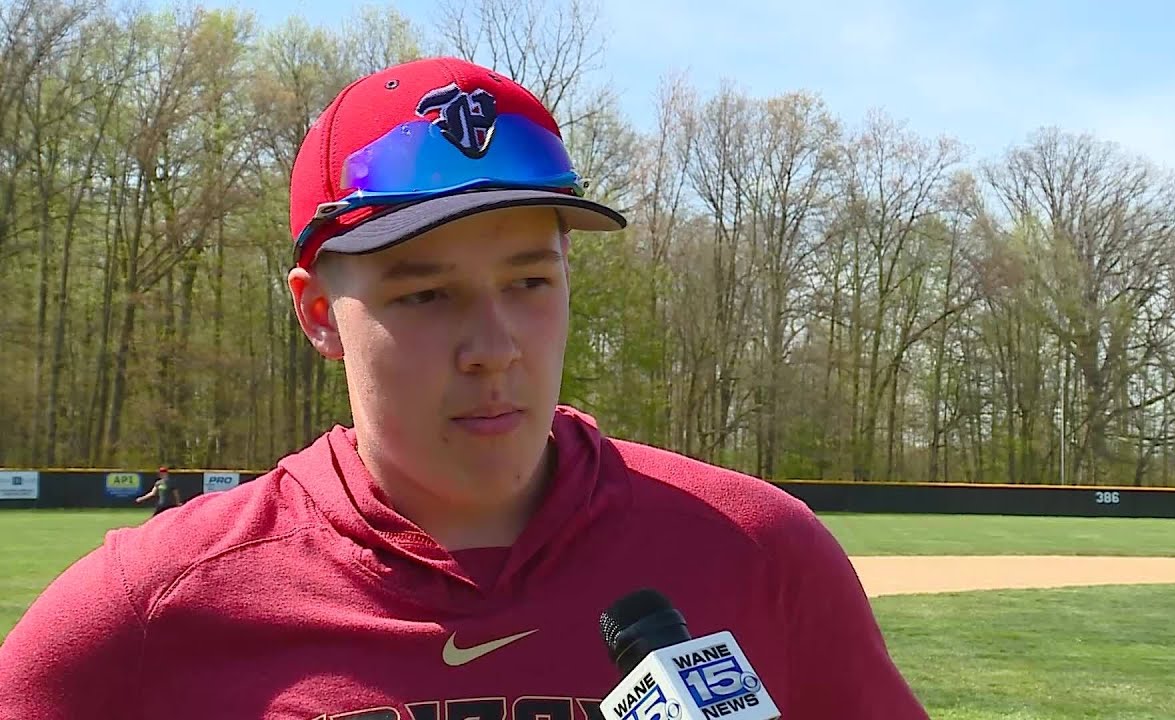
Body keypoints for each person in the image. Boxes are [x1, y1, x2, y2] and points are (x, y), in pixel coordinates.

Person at [0, 57, 929, 718]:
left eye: (529, 282)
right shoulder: (146, 609)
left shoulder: (764, 554)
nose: (493, 348)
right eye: (427, 293)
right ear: (319, 313)